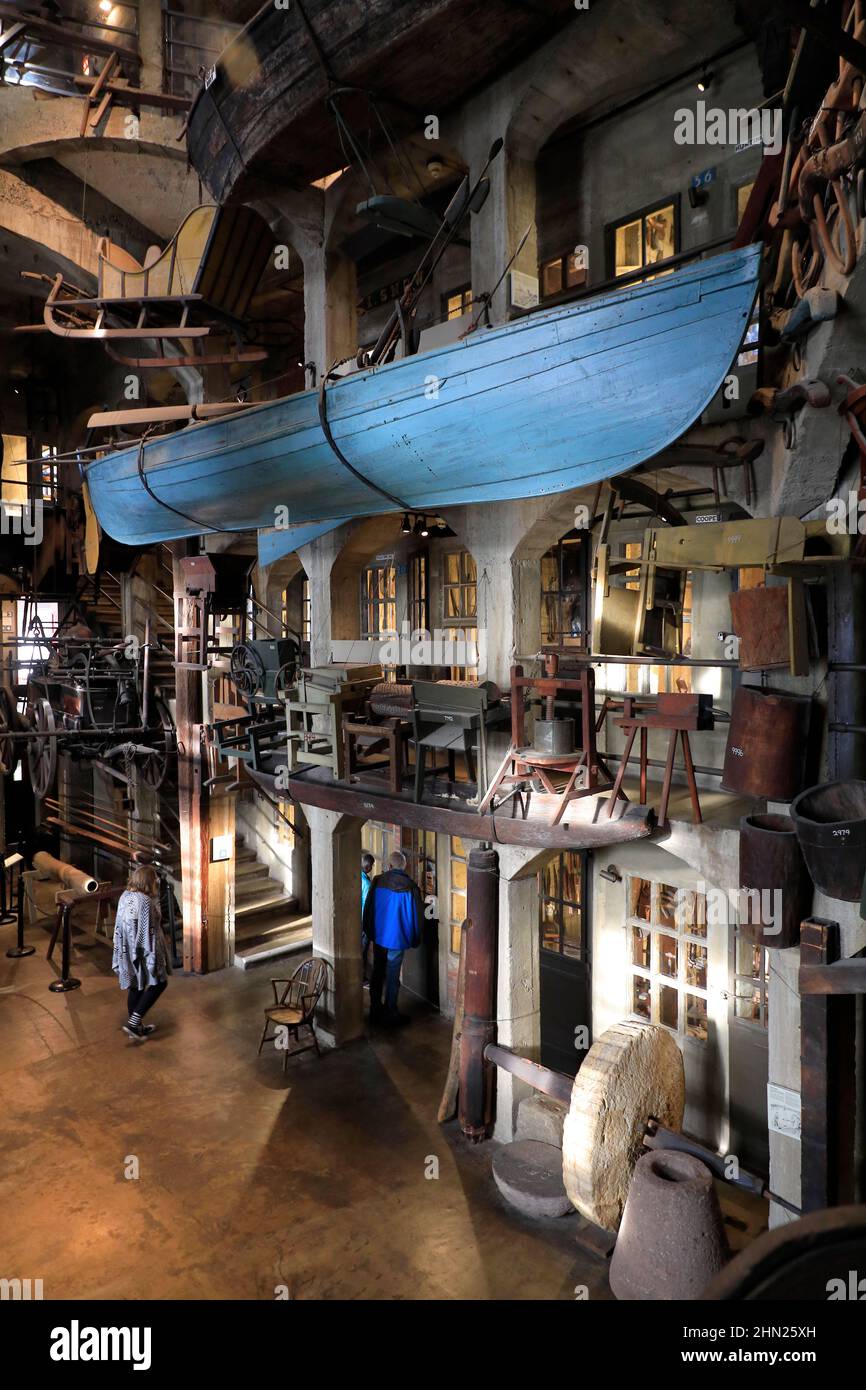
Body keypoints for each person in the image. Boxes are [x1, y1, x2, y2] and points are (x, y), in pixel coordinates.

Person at [362, 849, 423, 1026]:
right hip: (398, 938)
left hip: (379, 935)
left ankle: (375, 1009)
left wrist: (368, 929)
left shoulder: (377, 881)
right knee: (392, 975)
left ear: (389, 866)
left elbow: (368, 908)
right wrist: (415, 938)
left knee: (377, 972)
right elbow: (416, 917)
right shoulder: (411, 887)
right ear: (405, 867)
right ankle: (390, 1012)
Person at [111, 863, 171, 1041]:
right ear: (149, 881)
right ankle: (133, 1022)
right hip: (143, 950)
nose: (157, 883)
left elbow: (122, 925)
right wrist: (152, 957)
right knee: (160, 983)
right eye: (155, 881)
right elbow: (149, 929)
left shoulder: (126, 895)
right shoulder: (144, 901)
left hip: (127, 949)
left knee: (136, 986)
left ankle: (136, 1028)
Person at [360, 853, 374, 985]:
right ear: (368, 867)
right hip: (363, 922)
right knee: (362, 951)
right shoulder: (367, 884)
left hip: (355, 919)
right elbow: (366, 906)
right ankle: (361, 978)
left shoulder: (357, 877)